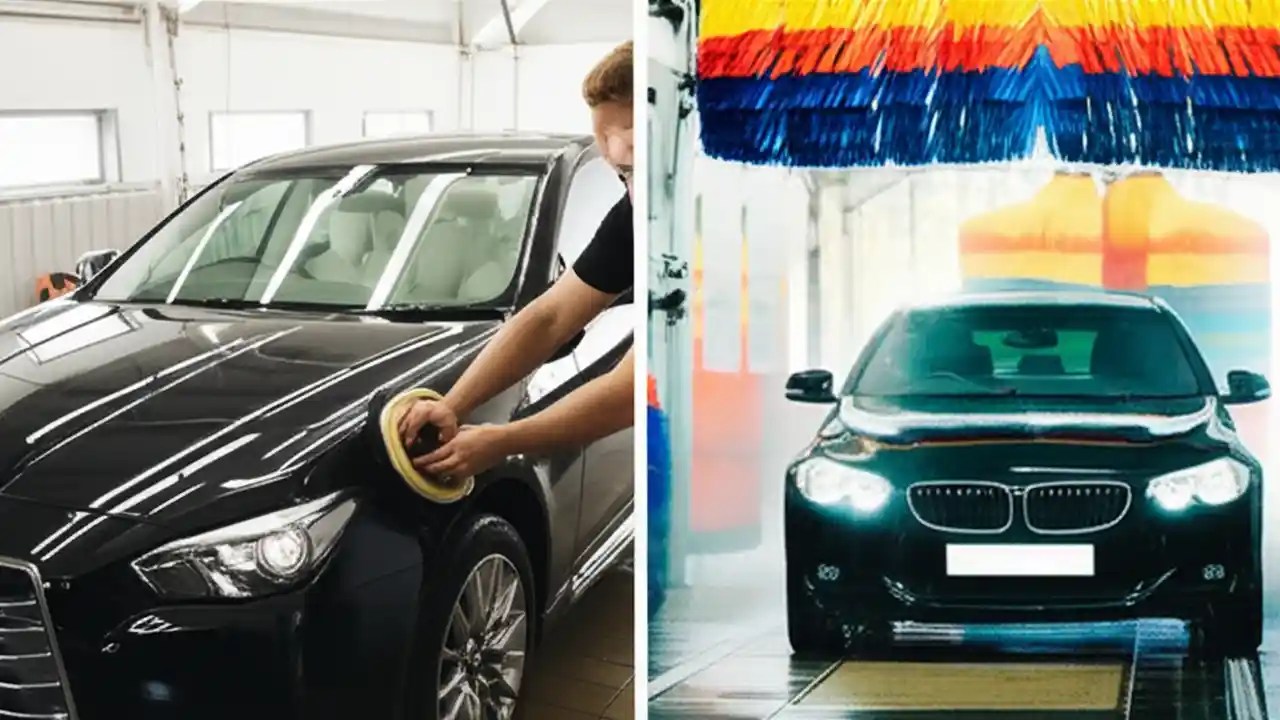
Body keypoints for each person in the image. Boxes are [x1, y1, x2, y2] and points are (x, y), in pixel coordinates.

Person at [398, 41, 635, 480]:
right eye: (619, 173)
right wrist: (452, 404)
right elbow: (550, 315)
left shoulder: (713, 229)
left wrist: (504, 440)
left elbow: (633, 388)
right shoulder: (635, 216)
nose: (628, 186)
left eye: (634, 165)